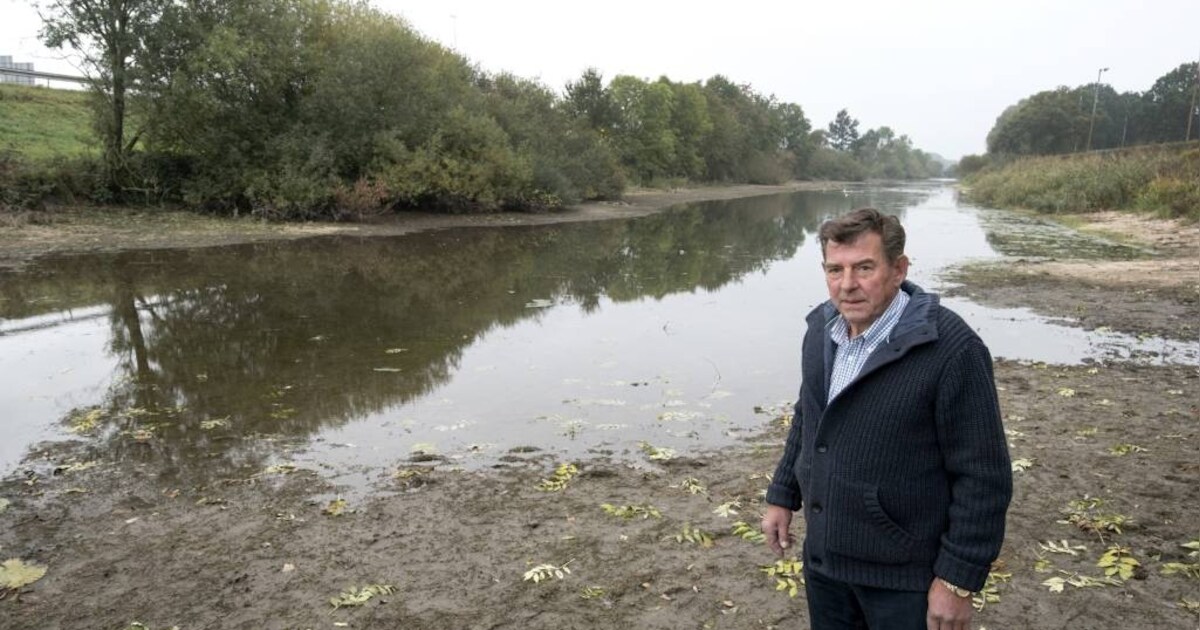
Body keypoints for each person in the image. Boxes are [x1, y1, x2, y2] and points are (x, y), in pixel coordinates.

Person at [761, 208, 1012, 630]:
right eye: (834, 269)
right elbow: (809, 416)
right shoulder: (822, 330)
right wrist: (783, 492)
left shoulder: (952, 350)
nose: (847, 285)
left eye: (864, 268)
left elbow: (984, 477)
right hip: (826, 565)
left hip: (905, 580)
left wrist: (957, 580)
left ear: (898, 270)